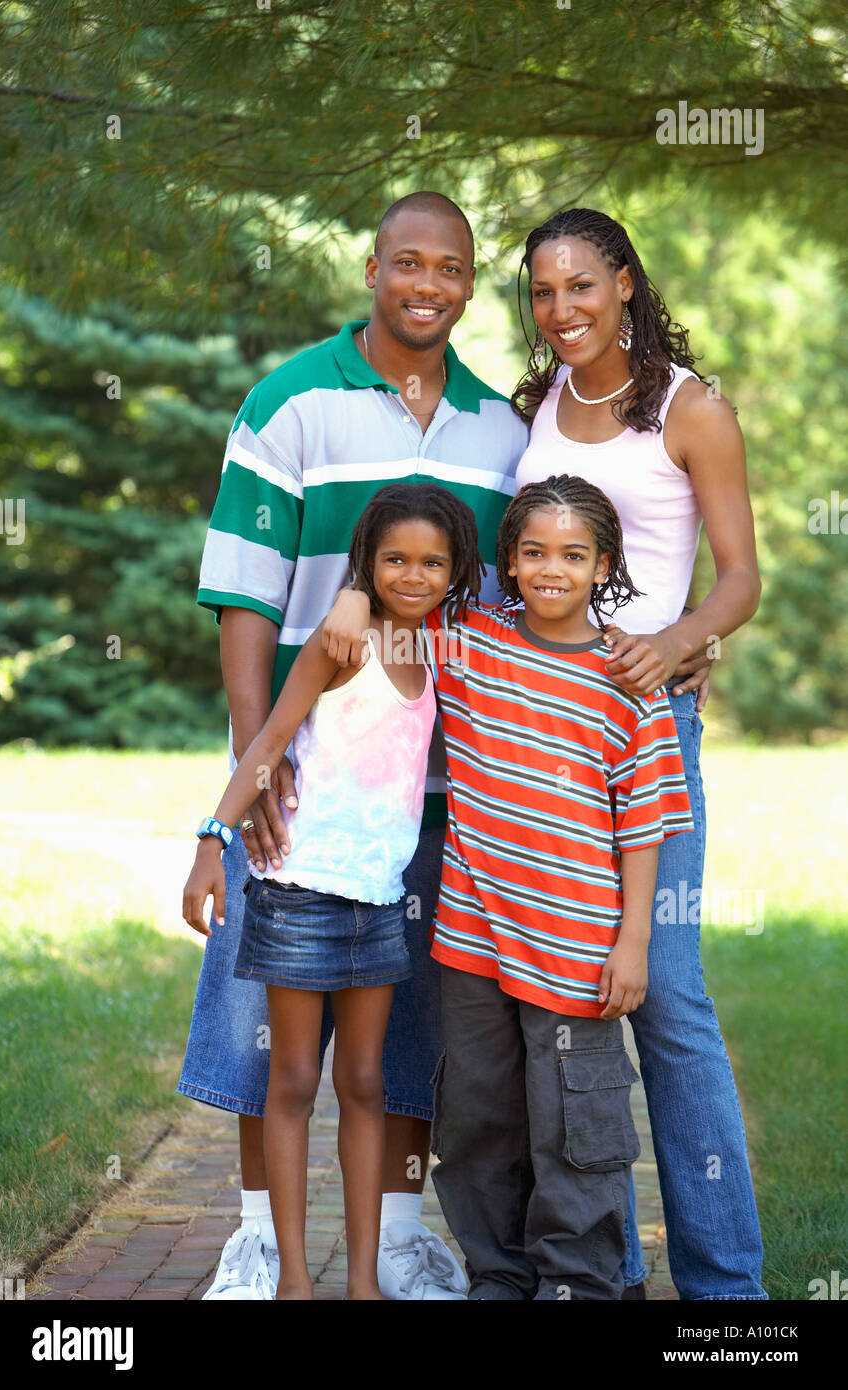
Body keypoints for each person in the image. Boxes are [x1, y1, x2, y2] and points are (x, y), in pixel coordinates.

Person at [176, 190, 530, 1299]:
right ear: (373, 269)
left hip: (435, 797)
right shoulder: (291, 401)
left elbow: (520, 599)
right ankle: (256, 1239)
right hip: (298, 778)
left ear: (470, 285)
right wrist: (257, 759)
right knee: (261, 1045)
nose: (427, 286)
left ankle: (402, 1234)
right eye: (407, 264)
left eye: (451, 269)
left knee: (405, 1041)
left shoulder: (499, 429)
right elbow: (244, 592)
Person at [512, 207, 766, 1300]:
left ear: (621, 282)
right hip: (538, 731)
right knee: (573, 992)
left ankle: (725, 1289)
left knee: (662, 993)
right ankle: (598, 1272)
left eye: (579, 285)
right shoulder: (541, 403)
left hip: (640, 726)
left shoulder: (687, 410)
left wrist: (677, 643)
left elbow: (741, 576)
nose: (560, 309)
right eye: (539, 292)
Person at [182, 484, 484, 1300]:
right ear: (368, 564)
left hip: (380, 899)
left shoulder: (448, 652)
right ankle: (290, 1282)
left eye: (431, 562)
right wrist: (214, 842)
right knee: (290, 1083)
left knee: (364, 1083)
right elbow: (270, 742)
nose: (412, 576)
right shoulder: (337, 645)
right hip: (298, 890)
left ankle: (361, 1284)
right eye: (394, 560)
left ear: (456, 571)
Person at [419, 474, 692, 1299]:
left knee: (579, 1131)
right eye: (533, 551)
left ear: (604, 563)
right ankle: (497, 1277)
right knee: (476, 1125)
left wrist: (633, 944)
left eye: (574, 555)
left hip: (577, 953)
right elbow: (399, 598)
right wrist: (360, 601)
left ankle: (578, 1282)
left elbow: (644, 825)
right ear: (507, 559)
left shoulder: (628, 682)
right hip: (472, 942)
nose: (551, 569)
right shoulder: (467, 639)